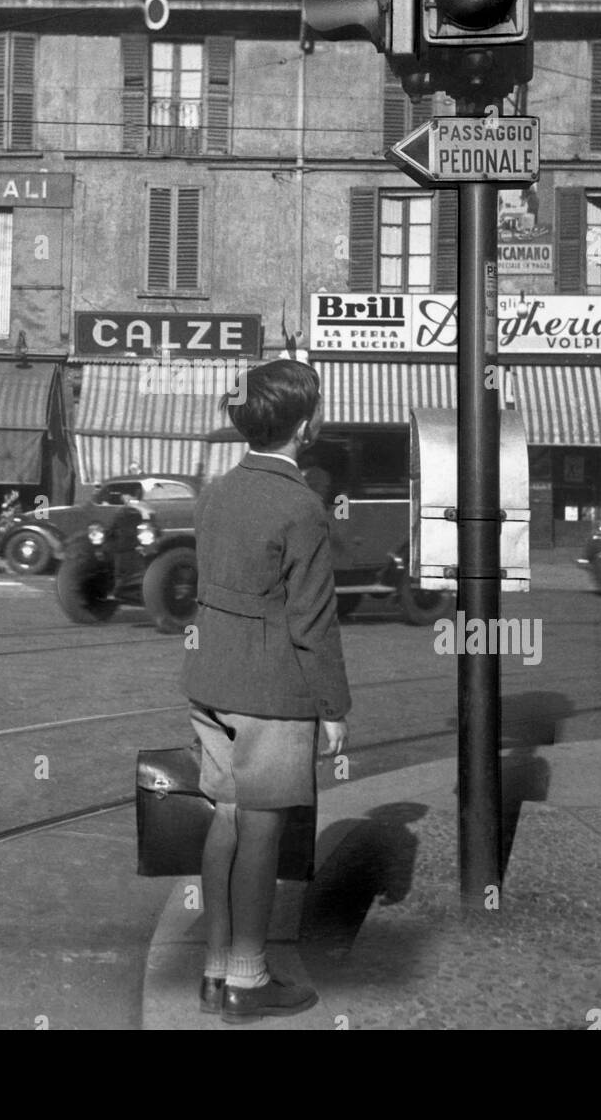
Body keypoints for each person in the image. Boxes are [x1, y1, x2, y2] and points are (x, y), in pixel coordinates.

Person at [182, 359, 351, 1023]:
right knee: (259, 832)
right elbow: (312, 620)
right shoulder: (299, 506)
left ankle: (214, 970)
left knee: (224, 818)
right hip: (270, 691)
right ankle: (249, 982)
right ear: (304, 424)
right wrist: (333, 707)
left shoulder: (217, 490)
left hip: (210, 684)